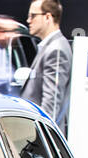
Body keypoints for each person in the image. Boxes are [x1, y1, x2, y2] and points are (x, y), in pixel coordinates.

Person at [22, 0, 71, 130]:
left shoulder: (56, 49)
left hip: (41, 138)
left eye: (33, 16)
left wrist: (39, 138)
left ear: (48, 17)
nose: (28, 20)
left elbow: (51, 106)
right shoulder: (49, 47)